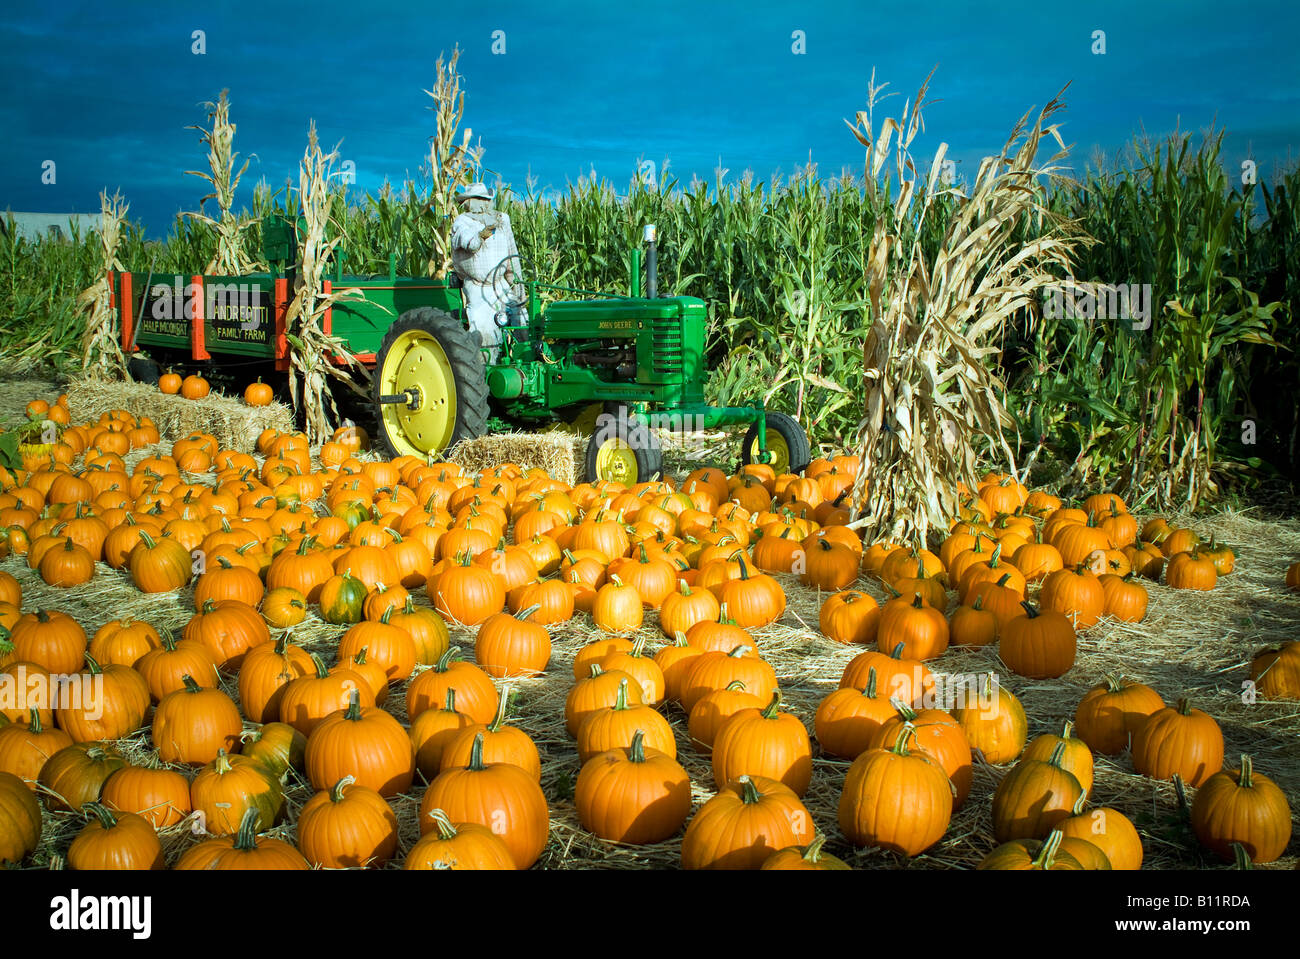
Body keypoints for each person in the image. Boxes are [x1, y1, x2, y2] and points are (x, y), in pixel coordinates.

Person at [449, 182, 525, 363]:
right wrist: (483, 233)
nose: (483, 203)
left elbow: (511, 254)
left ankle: (523, 365)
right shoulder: (461, 223)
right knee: (485, 335)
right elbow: (471, 244)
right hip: (477, 287)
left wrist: (518, 285)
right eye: (478, 199)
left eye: (485, 199)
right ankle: (485, 374)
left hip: (500, 284)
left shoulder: (502, 219)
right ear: (468, 202)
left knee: (522, 323)